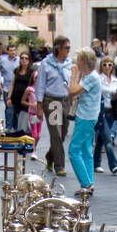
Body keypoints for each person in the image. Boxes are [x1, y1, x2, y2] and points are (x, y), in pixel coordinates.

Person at [35, 35, 72, 177]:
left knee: (62, 134)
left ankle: (50, 156)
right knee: (55, 134)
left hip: (65, 100)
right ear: (58, 49)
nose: (68, 50)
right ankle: (59, 165)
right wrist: (39, 106)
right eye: (66, 48)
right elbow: (40, 85)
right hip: (52, 101)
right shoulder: (46, 64)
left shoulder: (69, 64)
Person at [66, 48, 101, 191]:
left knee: (73, 150)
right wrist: (79, 74)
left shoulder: (91, 77)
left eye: (78, 60)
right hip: (88, 115)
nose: (76, 63)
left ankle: (85, 182)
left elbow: (72, 91)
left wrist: (74, 74)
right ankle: (89, 182)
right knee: (86, 149)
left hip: (86, 117)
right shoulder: (89, 76)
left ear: (84, 62)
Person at [93, 56, 117, 175]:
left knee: (100, 139)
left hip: (111, 110)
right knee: (108, 138)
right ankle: (113, 165)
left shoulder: (115, 80)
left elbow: (116, 92)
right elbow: (103, 90)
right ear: (101, 66)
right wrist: (115, 92)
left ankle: (96, 163)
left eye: (110, 64)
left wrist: (116, 92)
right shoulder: (98, 78)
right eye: (105, 64)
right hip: (101, 110)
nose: (107, 67)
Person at [8, 48, 34, 134]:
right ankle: (24, 136)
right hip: (16, 99)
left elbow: (35, 86)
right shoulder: (17, 70)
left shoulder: (32, 72)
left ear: (29, 60)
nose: (24, 60)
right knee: (19, 118)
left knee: (23, 119)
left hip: (26, 100)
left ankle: (24, 136)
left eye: (26, 58)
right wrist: (9, 97)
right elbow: (12, 84)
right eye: (22, 58)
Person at [0, 42, 20, 130]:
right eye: (11, 50)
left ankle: (16, 127)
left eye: (14, 50)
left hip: (17, 88)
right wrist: (0, 83)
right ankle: (8, 127)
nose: (13, 52)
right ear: (7, 51)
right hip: (7, 87)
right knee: (9, 108)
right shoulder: (3, 59)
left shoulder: (19, 60)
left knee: (17, 110)